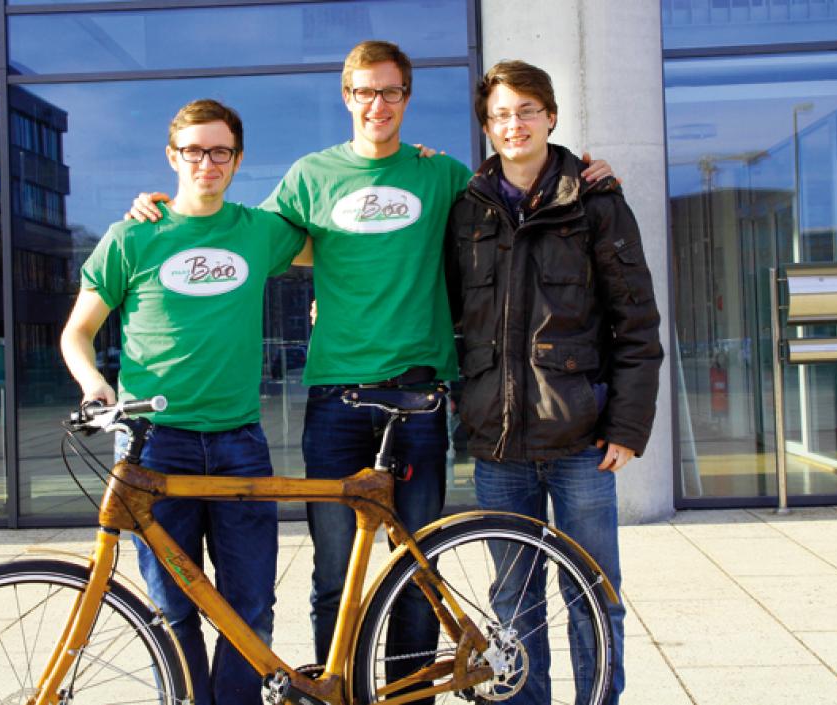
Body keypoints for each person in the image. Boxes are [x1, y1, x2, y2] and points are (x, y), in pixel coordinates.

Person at [127, 40, 614, 685]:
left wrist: (583, 171)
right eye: (364, 91)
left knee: (415, 572)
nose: (376, 104)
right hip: (335, 401)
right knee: (333, 576)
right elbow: (241, 238)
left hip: (416, 401)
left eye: (390, 91)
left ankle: (406, 696)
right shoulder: (309, 177)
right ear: (347, 97)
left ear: (406, 98)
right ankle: (342, 693)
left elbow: (518, 178)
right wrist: (157, 216)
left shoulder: (439, 175)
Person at [60, 99, 306, 705]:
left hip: (238, 443)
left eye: (220, 151)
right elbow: (76, 333)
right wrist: (96, 387)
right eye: (193, 151)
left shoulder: (260, 231)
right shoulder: (132, 236)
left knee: (248, 604)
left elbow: (344, 242)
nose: (207, 162)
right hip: (155, 444)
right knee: (173, 608)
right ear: (173, 157)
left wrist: (412, 166)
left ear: (237, 159)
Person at [445, 60, 663, 704]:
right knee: (512, 601)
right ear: (486, 126)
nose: (514, 124)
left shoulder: (595, 201)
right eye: (501, 114)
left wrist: (627, 427)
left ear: (551, 116)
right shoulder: (466, 209)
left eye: (527, 110)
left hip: (581, 443)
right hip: (499, 447)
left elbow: (638, 324)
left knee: (593, 595)